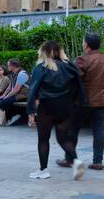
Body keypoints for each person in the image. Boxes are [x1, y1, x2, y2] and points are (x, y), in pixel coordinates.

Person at [25, 40, 87, 180]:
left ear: (43, 52)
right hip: (67, 107)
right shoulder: (69, 66)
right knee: (63, 138)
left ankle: (43, 170)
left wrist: (30, 112)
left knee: (43, 140)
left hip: (47, 107)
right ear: (60, 51)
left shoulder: (41, 68)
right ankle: (76, 162)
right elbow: (79, 87)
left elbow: (32, 90)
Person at [73, 32, 104, 171]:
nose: (82, 44)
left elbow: (74, 79)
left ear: (87, 45)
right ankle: (98, 161)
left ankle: (69, 158)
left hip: (85, 100)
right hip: (102, 99)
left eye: (83, 42)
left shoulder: (82, 60)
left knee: (73, 129)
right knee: (98, 131)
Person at [0, 59, 29, 126]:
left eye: (8, 65)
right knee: (2, 100)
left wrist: (6, 97)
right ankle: (9, 118)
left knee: (5, 102)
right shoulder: (13, 73)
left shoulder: (22, 74)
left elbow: (16, 89)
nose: (7, 67)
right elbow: (9, 87)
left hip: (24, 95)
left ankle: (12, 118)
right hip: (17, 94)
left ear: (13, 66)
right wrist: (3, 95)